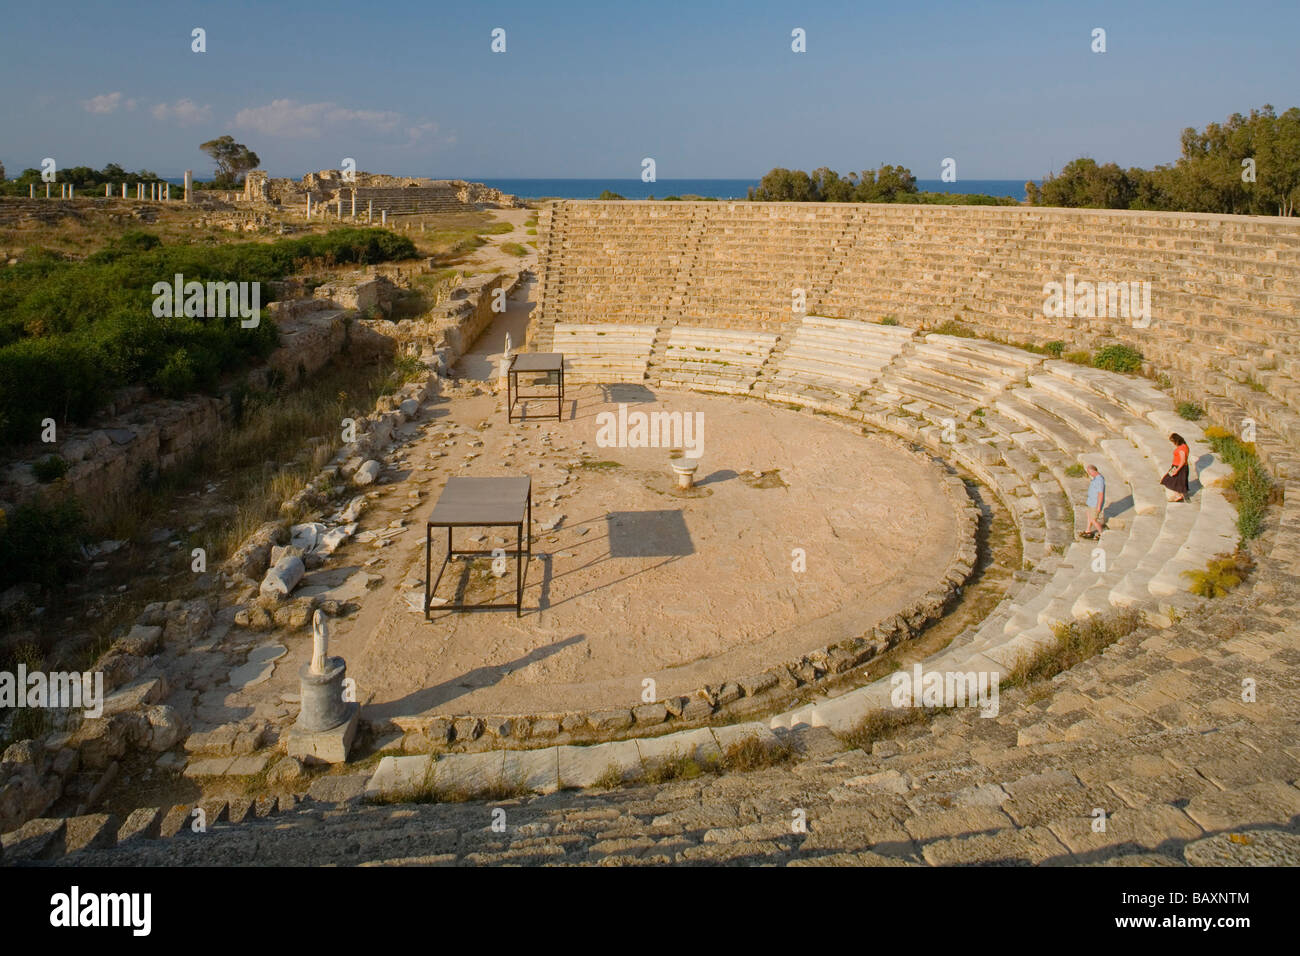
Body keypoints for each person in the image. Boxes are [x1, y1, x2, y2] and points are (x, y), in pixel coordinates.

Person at [1161, 432, 1191, 502]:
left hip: (1178, 467)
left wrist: (1177, 470)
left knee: (1168, 480)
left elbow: (1183, 461)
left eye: (1173, 441)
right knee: (1168, 480)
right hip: (1175, 466)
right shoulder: (1184, 446)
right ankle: (1179, 495)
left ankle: (1179, 495)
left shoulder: (1182, 448)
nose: (1173, 443)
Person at [1081, 464, 1105, 539]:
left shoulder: (1099, 480)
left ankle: (1102, 533)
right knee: (1088, 515)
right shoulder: (1095, 479)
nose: (1089, 473)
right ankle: (1088, 530)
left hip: (1095, 503)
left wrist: (1099, 506)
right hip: (1091, 502)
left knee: (1093, 519)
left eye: (1089, 472)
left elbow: (1100, 494)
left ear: (1093, 471)